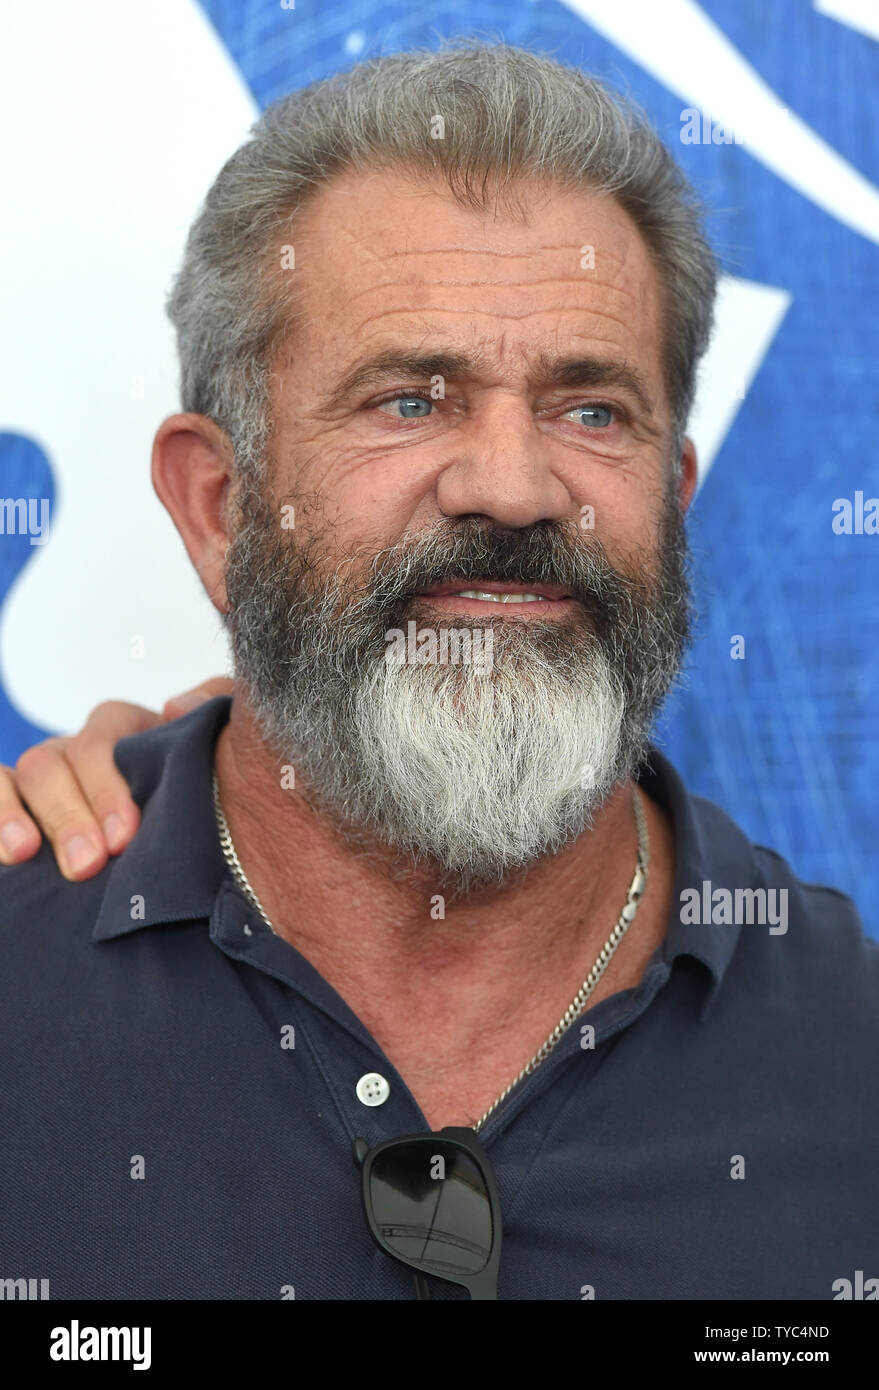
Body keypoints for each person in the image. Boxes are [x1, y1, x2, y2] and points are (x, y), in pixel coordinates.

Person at [1, 40, 876, 1302]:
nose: (513, 489)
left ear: (673, 501)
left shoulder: (851, 1064)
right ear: (220, 506)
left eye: (591, 410)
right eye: (411, 400)